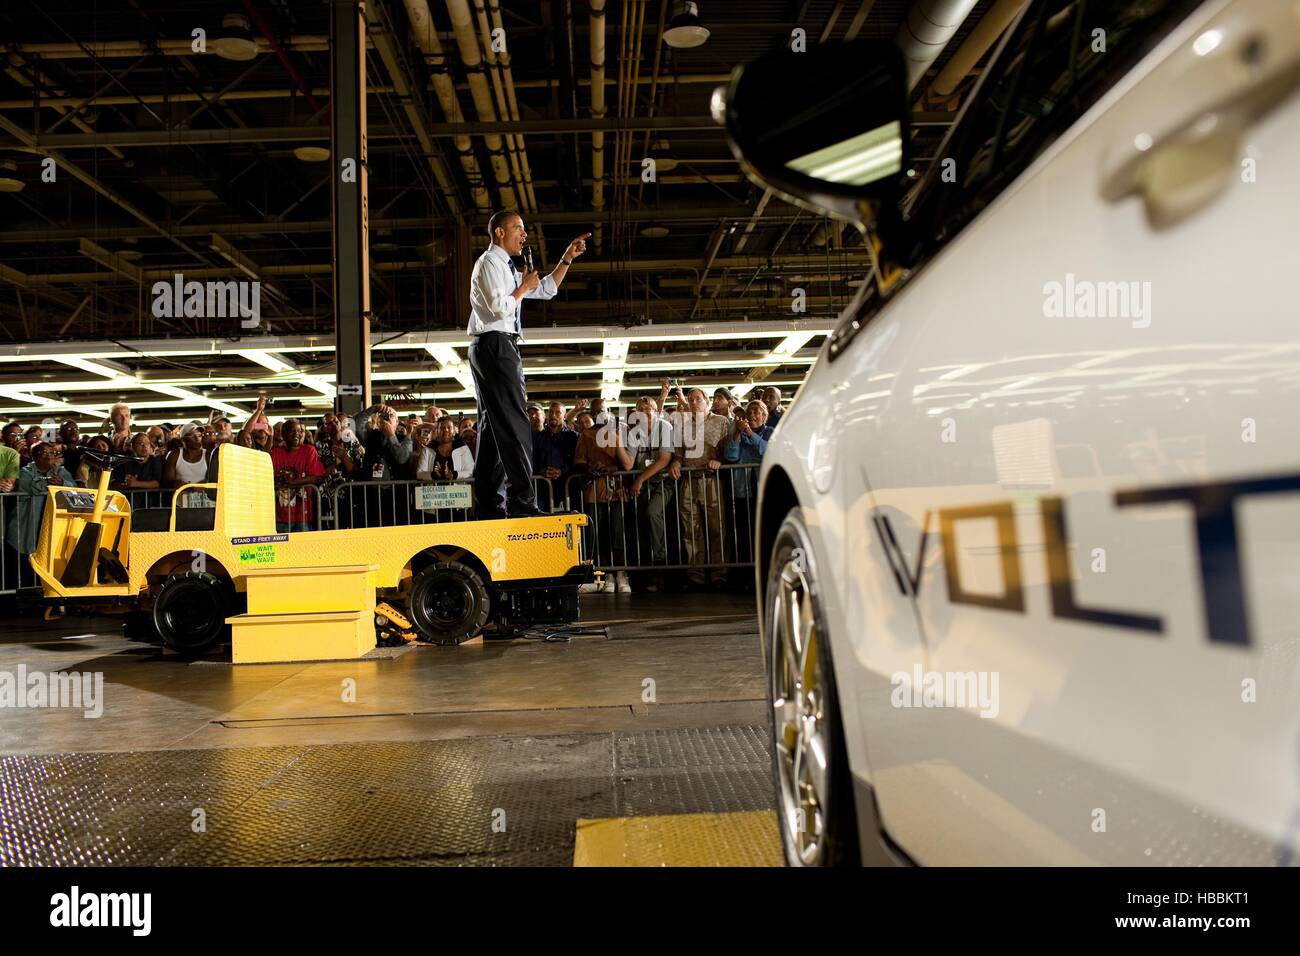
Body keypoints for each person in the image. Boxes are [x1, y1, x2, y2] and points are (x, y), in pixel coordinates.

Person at [466, 209, 589, 519]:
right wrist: (522, 288)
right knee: (516, 423)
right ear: (499, 233)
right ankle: (523, 504)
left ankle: (489, 508)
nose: (524, 234)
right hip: (496, 344)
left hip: (492, 347)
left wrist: (566, 260)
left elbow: (545, 289)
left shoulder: (506, 267)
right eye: (517, 228)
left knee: (492, 427)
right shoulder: (490, 263)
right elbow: (497, 308)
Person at [672, 388, 731, 590]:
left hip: (711, 478)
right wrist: (676, 463)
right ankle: (695, 574)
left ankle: (719, 573)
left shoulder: (721, 422)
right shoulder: (683, 424)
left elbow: (729, 450)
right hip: (688, 479)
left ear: (707, 401)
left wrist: (719, 459)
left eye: (698, 399)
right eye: (691, 400)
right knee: (691, 529)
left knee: (717, 528)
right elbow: (679, 453)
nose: (694, 402)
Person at [574, 414, 633, 593]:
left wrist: (613, 468)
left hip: (616, 491)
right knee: (599, 534)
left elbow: (628, 464)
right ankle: (607, 575)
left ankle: (622, 574)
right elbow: (579, 461)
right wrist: (589, 469)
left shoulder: (619, 432)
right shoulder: (586, 435)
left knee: (618, 532)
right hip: (594, 492)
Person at [626, 395, 679, 591]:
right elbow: (629, 463)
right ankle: (648, 573)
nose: (645, 412)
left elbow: (665, 459)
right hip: (643, 486)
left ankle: (660, 564)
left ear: (656, 412)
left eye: (649, 409)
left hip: (663, 482)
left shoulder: (665, 427)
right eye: (641, 409)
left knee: (652, 513)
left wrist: (639, 479)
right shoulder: (633, 433)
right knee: (642, 525)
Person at [722, 400, 772, 571]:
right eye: (749, 412)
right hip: (743, 489)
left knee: (763, 530)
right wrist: (737, 432)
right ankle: (746, 571)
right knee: (744, 531)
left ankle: (764, 568)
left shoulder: (770, 432)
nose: (752, 415)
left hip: (763, 490)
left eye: (756, 412)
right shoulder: (739, 434)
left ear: (764, 416)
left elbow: (767, 451)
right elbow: (731, 456)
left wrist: (750, 433)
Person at [5, 443, 73, 557]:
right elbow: (30, 486)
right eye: (43, 453)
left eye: (51, 453)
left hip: (53, 523)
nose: (48, 456)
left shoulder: (61, 471)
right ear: (34, 457)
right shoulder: (25, 471)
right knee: (26, 560)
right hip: (27, 525)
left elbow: (74, 487)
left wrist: (63, 483)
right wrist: (51, 484)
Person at [271, 419, 325, 533]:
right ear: (283, 434)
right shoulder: (276, 452)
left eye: (300, 431)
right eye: (292, 430)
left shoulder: (309, 451)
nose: (297, 433)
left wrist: (292, 483)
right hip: (279, 515)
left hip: (303, 516)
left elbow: (317, 477)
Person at [532, 401, 578, 510]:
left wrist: (563, 471)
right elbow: (532, 460)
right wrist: (541, 471)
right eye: (551, 412)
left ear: (564, 415)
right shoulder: (537, 438)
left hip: (567, 487)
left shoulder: (573, 437)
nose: (553, 415)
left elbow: (577, 460)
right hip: (542, 488)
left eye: (558, 412)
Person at [110, 433, 164, 499]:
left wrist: (135, 483)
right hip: (129, 500)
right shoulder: (124, 462)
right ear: (133, 447)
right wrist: (125, 485)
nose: (144, 446)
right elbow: (115, 483)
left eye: (147, 443)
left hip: (151, 501)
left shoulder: (155, 460)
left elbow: (156, 483)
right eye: (140, 443)